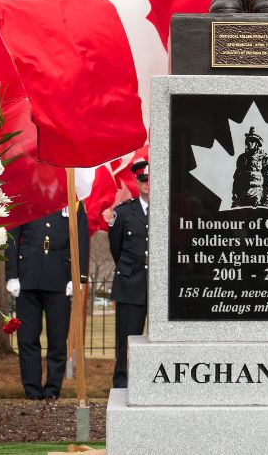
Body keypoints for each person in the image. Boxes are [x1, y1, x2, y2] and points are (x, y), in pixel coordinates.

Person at [5, 204, 89, 400]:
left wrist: (78, 277)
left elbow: (81, 240)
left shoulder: (72, 199)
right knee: (27, 339)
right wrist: (12, 274)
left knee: (58, 340)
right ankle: (32, 389)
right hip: (28, 274)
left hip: (59, 275)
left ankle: (52, 389)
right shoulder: (29, 197)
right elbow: (13, 236)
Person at [108, 158, 150, 388]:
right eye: (144, 180)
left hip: (160, 288)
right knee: (127, 342)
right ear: (137, 181)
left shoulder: (171, 208)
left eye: (152, 179)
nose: (149, 184)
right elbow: (116, 247)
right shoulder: (123, 212)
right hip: (130, 283)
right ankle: (123, 385)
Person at [232, 126, 268, 208]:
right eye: (248, 141)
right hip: (242, 197)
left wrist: (267, 200)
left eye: (252, 141)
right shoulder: (242, 158)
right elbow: (236, 181)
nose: (249, 143)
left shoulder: (265, 158)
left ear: (257, 143)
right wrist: (236, 200)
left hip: (257, 197)